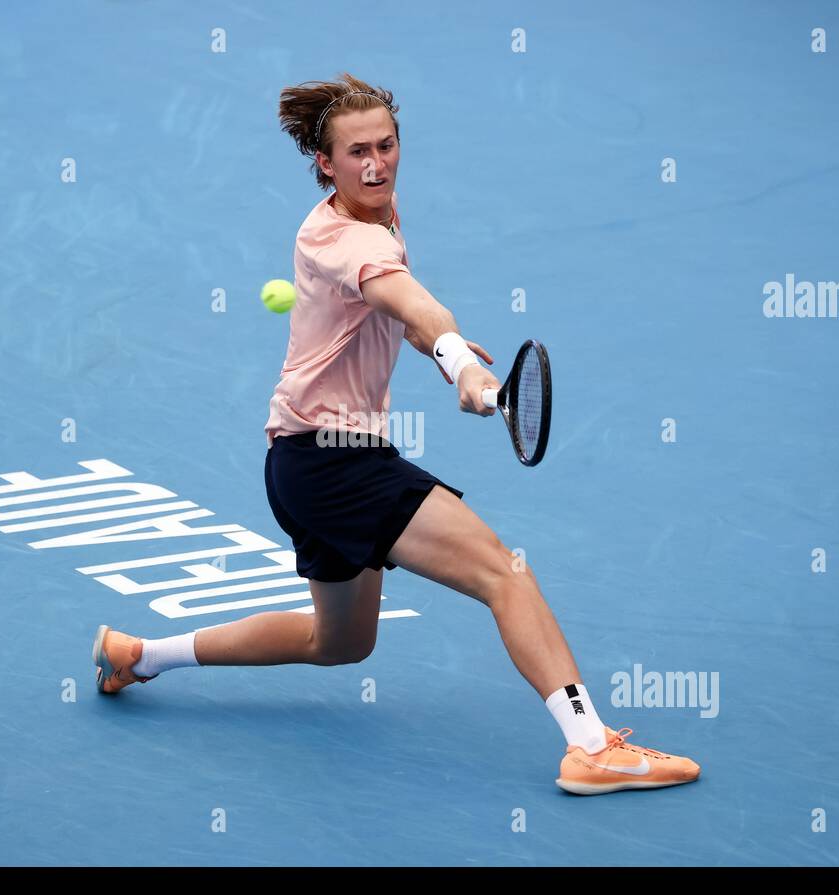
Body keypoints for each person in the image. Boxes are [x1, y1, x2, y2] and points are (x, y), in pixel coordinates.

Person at [93, 73, 700, 795]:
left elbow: (400, 315)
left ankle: (139, 652)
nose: (375, 164)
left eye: (386, 145)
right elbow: (415, 302)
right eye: (357, 153)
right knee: (505, 574)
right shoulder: (345, 240)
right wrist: (456, 362)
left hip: (298, 465)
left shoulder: (376, 214)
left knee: (340, 643)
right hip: (337, 462)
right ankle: (591, 747)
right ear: (325, 162)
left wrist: (444, 350)